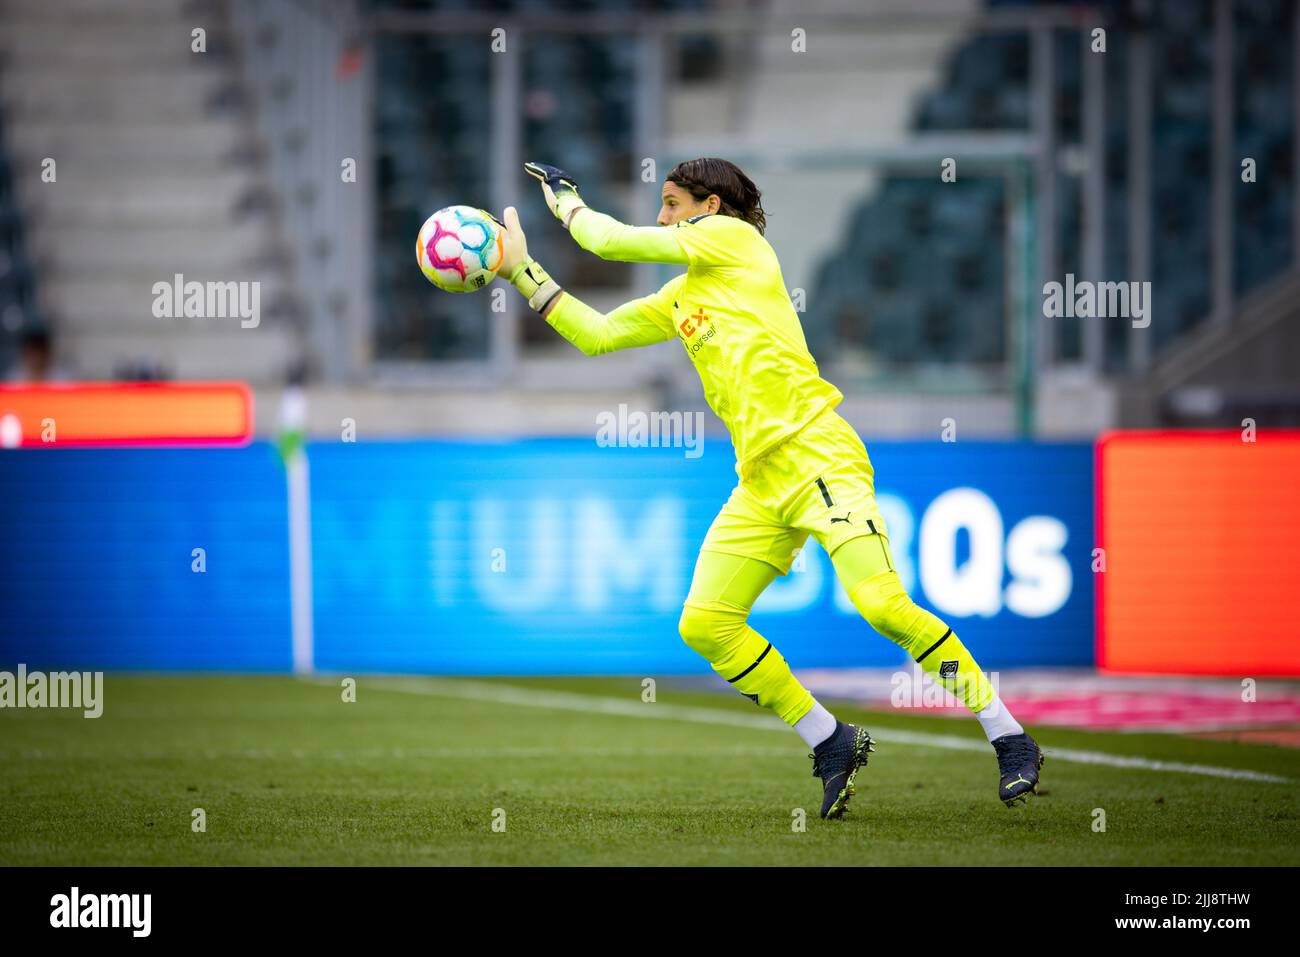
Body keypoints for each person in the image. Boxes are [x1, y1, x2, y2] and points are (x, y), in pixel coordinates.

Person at [497, 157, 1043, 819]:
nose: (663, 218)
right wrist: (519, 272)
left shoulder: (738, 244)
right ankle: (830, 738)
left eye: (672, 204)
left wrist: (566, 201)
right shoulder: (685, 295)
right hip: (760, 481)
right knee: (705, 622)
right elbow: (600, 335)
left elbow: (608, 241)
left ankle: (1008, 734)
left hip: (819, 455)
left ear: (713, 206)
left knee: (883, 605)